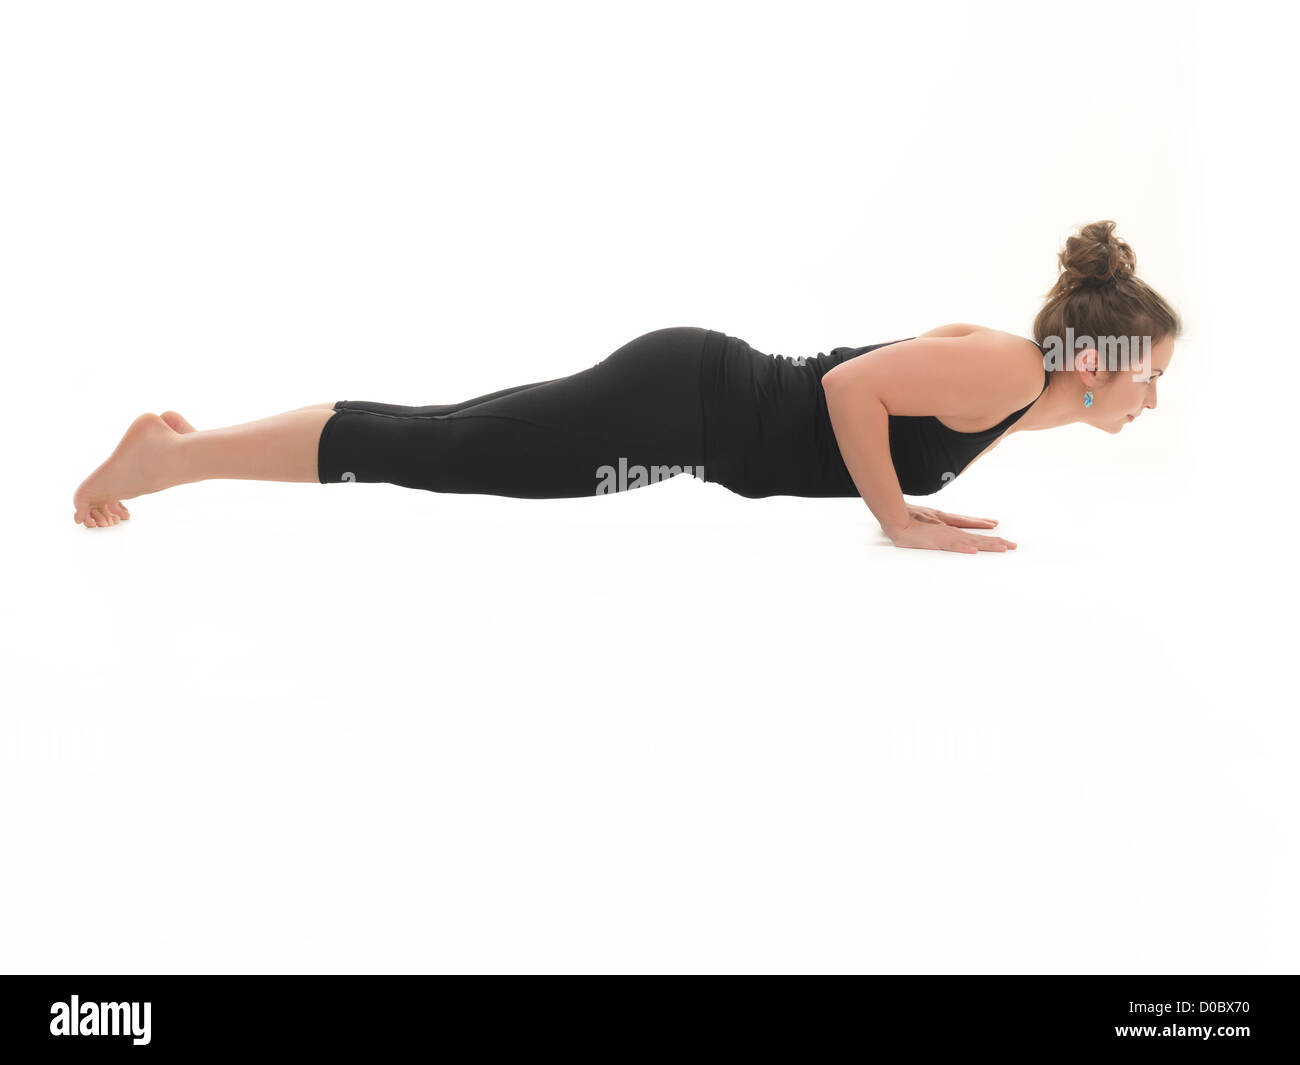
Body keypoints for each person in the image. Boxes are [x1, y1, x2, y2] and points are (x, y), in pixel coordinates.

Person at [72, 220, 1182, 554]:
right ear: (1099, 362)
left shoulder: (1019, 393)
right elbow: (851, 394)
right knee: (432, 448)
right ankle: (170, 457)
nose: (1153, 398)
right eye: (1152, 377)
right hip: (682, 408)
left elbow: (874, 403)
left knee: (442, 440)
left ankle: (185, 443)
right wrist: (895, 520)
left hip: (683, 423)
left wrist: (906, 504)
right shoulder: (1005, 366)